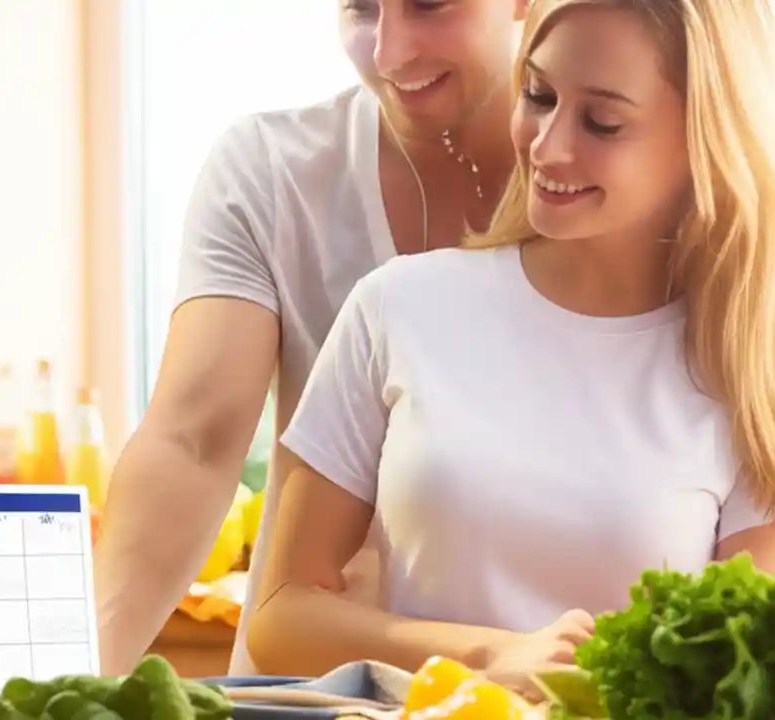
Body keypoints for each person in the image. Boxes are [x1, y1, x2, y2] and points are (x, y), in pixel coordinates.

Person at [246, 0, 775, 683]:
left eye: (603, 122)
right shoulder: (399, 307)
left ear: (706, 140)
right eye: (539, 95)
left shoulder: (763, 378)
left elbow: (762, 682)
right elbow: (283, 618)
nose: (547, 147)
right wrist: (484, 656)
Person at [94, 0, 532, 676]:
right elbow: (193, 442)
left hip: (528, 688)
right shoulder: (272, 171)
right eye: (361, 9)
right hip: (306, 695)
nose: (388, 55)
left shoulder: (622, 180)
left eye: (428, 5)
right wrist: (77, 679)